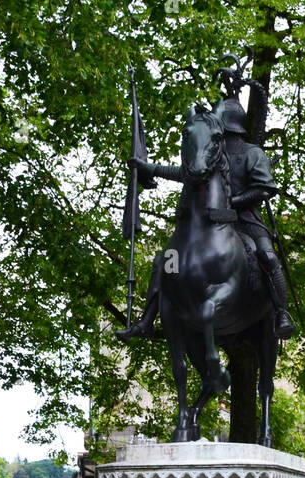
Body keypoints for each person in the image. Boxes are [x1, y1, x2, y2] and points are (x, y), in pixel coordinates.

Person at [118, 94, 295, 342]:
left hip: (246, 221)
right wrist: (152, 169)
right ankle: (147, 320)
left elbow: (265, 188)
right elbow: (187, 172)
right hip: (206, 222)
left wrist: (233, 201)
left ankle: (280, 313)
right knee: (167, 260)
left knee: (267, 256)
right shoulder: (209, 149)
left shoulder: (251, 153)